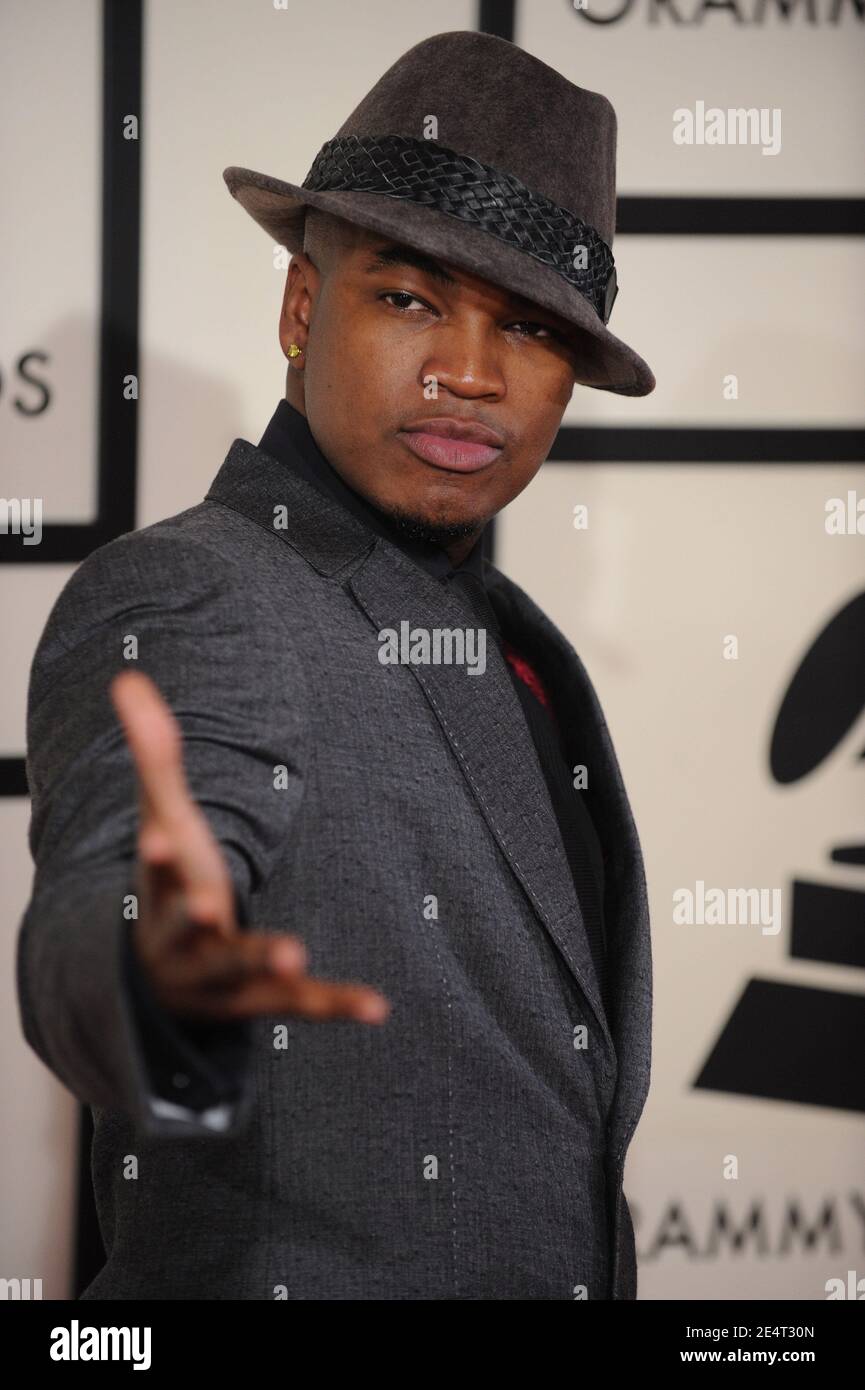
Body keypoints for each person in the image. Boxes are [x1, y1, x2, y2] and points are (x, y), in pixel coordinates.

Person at [17, 29, 654, 1300]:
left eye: (527, 327)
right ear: (303, 309)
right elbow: (115, 890)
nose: (470, 372)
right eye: (409, 298)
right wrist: (157, 971)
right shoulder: (202, 591)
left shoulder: (519, 639)